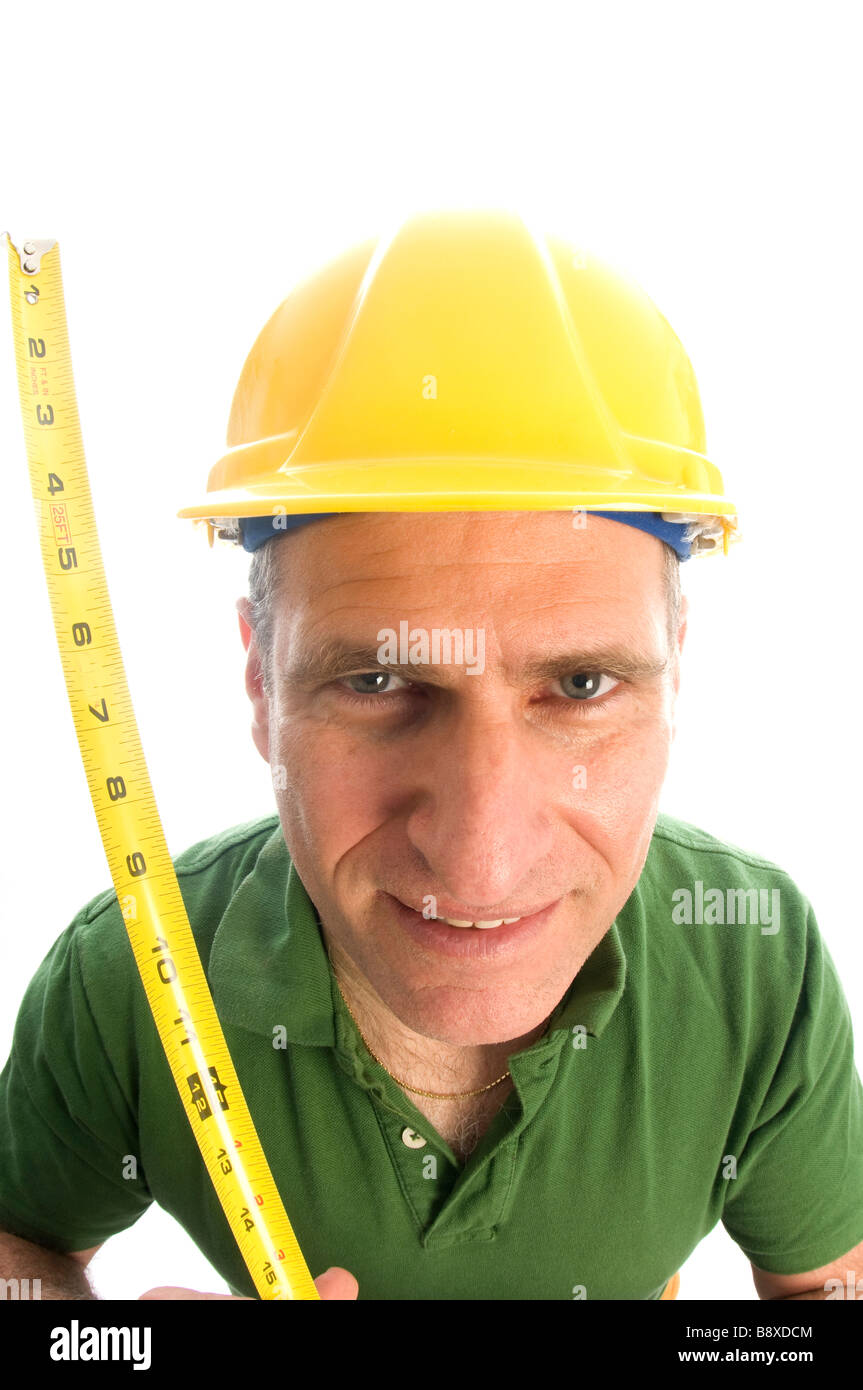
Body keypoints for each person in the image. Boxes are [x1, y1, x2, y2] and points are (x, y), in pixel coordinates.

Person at [2, 210, 862, 1301]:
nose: (481, 859)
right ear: (261, 683)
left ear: (674, 671)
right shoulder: (132, 972)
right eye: (377, 683)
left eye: (580, 685)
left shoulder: (754, 963)